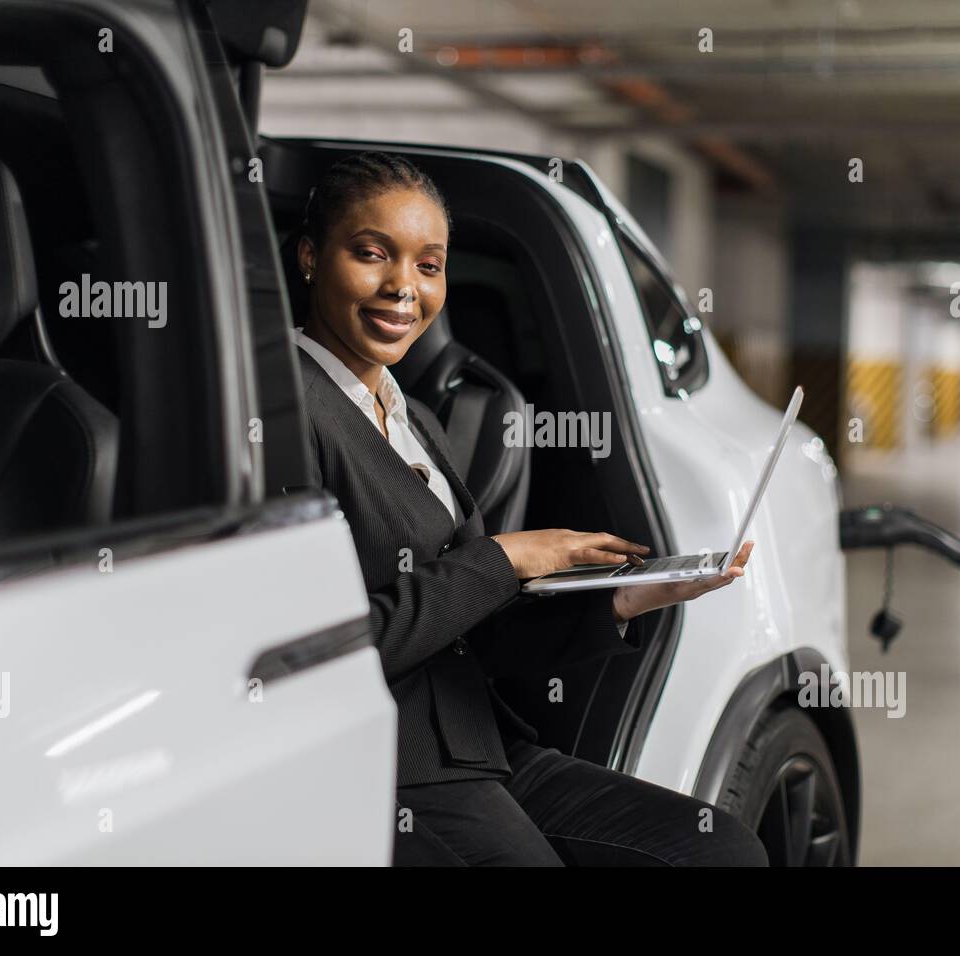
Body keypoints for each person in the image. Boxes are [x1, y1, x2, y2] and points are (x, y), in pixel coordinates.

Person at [293, 151, 766, 866]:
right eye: (371, 254)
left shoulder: (414, 416)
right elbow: (326, 652)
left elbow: (477, 638)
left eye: (429, 265)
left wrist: (627, 600)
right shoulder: (285, 411)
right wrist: (504, 558)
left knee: (718, 851)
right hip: (388, 766)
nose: (403, 288)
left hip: (485, 747)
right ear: (308, 258)